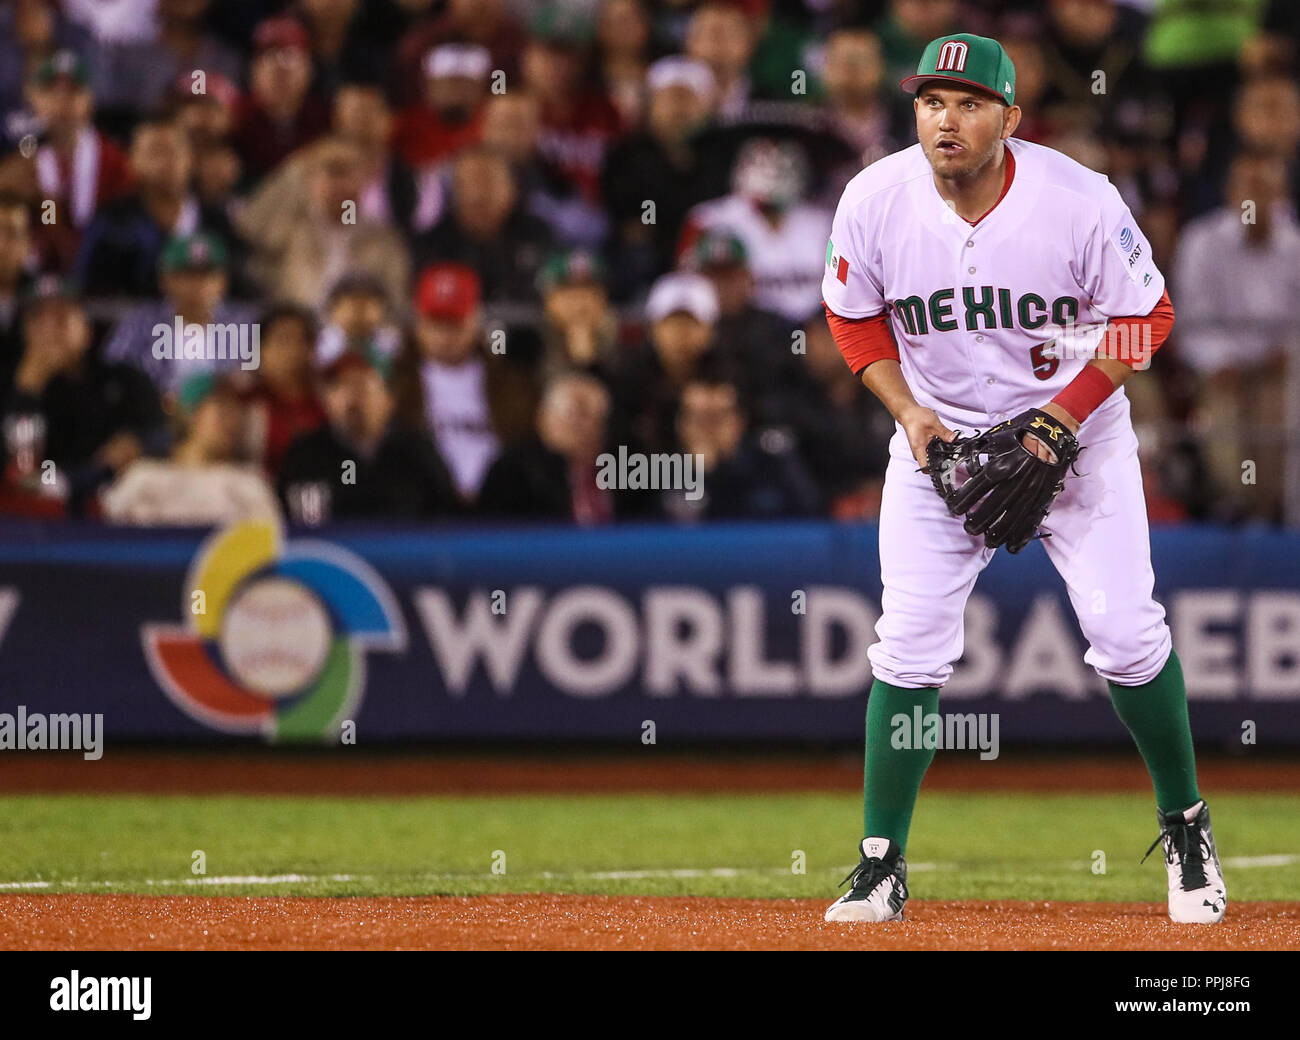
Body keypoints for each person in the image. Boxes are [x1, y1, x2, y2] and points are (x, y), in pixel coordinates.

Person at [820, 33, 1224, 926]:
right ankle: (880, 861)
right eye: (931, 101)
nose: (946, 119)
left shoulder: (1077, 200)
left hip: (1078, 442)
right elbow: (852, 320)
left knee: (1125, 632)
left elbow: (1146, 315)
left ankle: (1187, 827)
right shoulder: (874, 198)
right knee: (910, 643)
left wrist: (1064, 414)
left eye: (968, 102)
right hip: (943, 446)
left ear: (1010, 116)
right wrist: (906, 411)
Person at [1172, 150, 1300, 523]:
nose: (1256, 199)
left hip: (1279, 371)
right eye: (1249, 188)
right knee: (1224, 419)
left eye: (1266, 189)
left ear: (1282, 195)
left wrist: (1287, 354)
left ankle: (1275, 512)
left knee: (1280, 408)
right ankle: (1235, 506)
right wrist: (1219, 360)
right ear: (1231, 193)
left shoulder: (1295, 247)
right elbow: (1190, 320)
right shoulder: (1201, 241)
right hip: (1220, 370)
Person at [4, 278, 167, 513]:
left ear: (87, 330)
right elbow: (19, 467)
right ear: (24, 332)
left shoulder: (124, 379)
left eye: (62, 317)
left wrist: (136, 444)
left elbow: (159, 435)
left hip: (118, 502)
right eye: (38, 319)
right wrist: (27, 392)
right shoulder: (12, 385)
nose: (51, 330)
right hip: (34, 509)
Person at [279, 354, 458, 523]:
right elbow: (295, 525)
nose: (351, 398)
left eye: (362, 385)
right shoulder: (306, 454)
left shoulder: (417, 451)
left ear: (390, 397)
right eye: (339, 386)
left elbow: (447, 517)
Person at [100, 377, 280, 527]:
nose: (232, 421)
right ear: (192, 414)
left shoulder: (249, 484)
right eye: (223, 409)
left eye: (237, 411)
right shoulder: (143, 477)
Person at [478, 371, 616, 524]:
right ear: (544, 418)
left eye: (597, 419)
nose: (586, 428)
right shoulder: (513, 471)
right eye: (575, 418)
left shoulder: (623, 469)